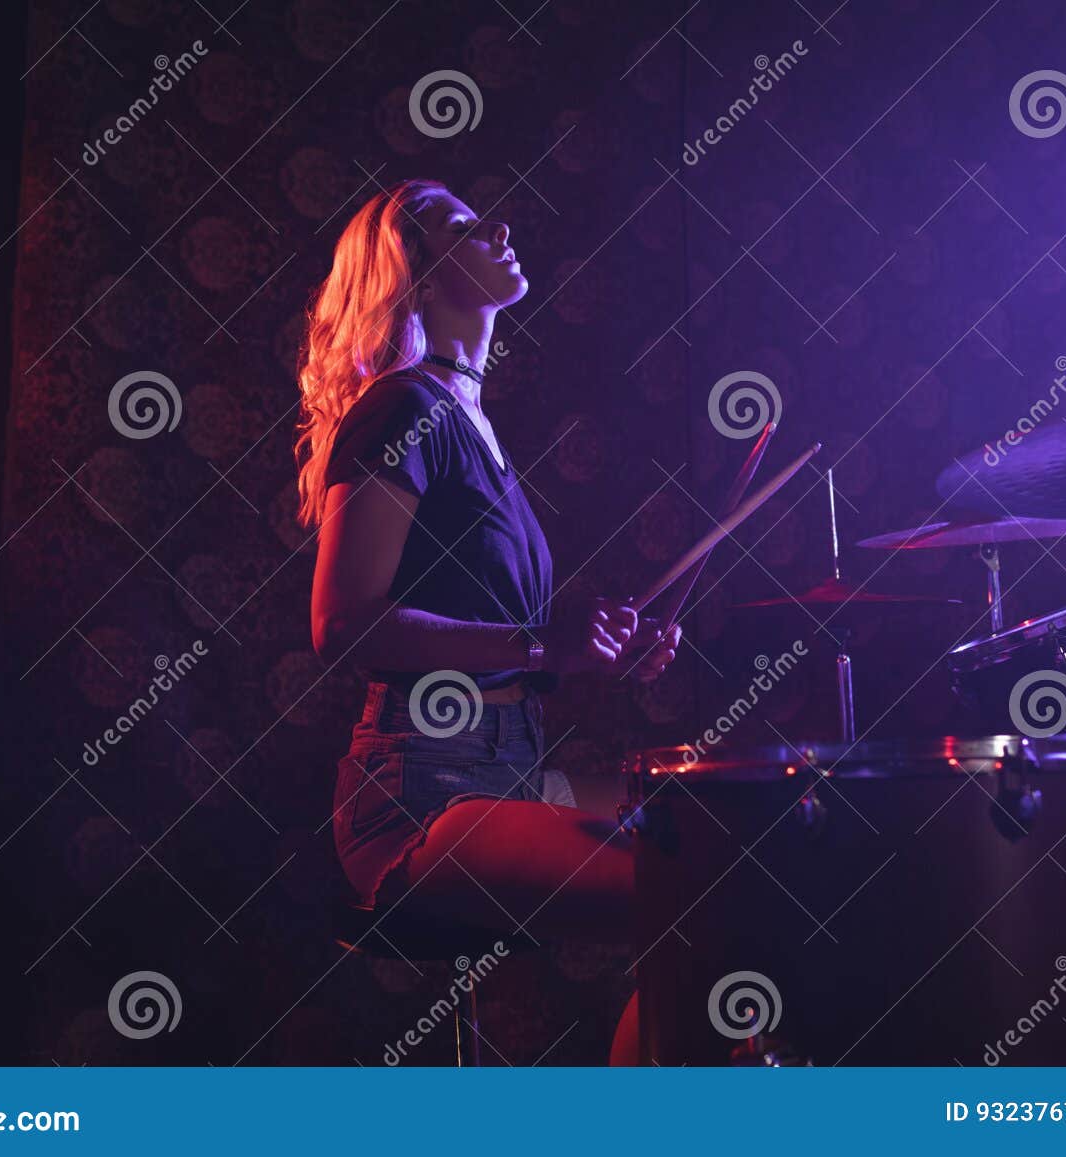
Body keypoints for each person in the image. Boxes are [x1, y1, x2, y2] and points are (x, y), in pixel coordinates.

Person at [294, 179, 679, 1062]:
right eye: (463, 225)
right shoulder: (403, 407)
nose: (499, 225)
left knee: (717, 846)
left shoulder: (469, 420)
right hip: (423, 790)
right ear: (419, 277)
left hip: (511, 771)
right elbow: (341, 623)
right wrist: (545, 644)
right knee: (680, 893)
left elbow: (499, 639)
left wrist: (597, 649)